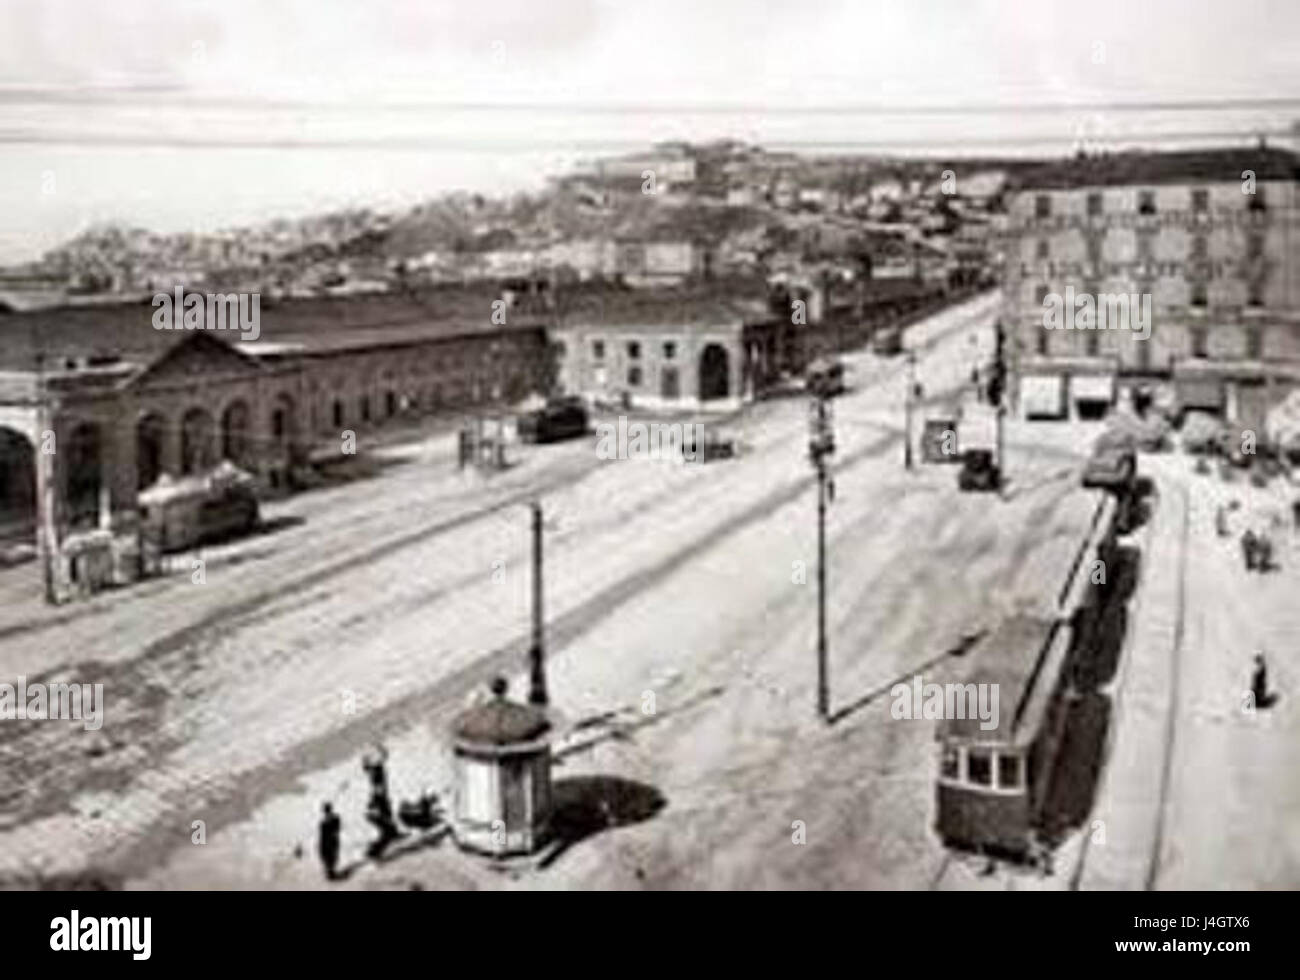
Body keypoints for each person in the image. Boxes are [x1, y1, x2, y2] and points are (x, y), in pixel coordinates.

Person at [318, 803, 341, 881]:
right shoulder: (324, 821)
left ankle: (330, 871)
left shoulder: (331, 820)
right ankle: (330, 871)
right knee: (328, 857)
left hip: (330, 841)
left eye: (326, 810)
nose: (325, 812)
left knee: (331, 857)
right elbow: (322, 834)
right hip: (328, 842)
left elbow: (337, 829)